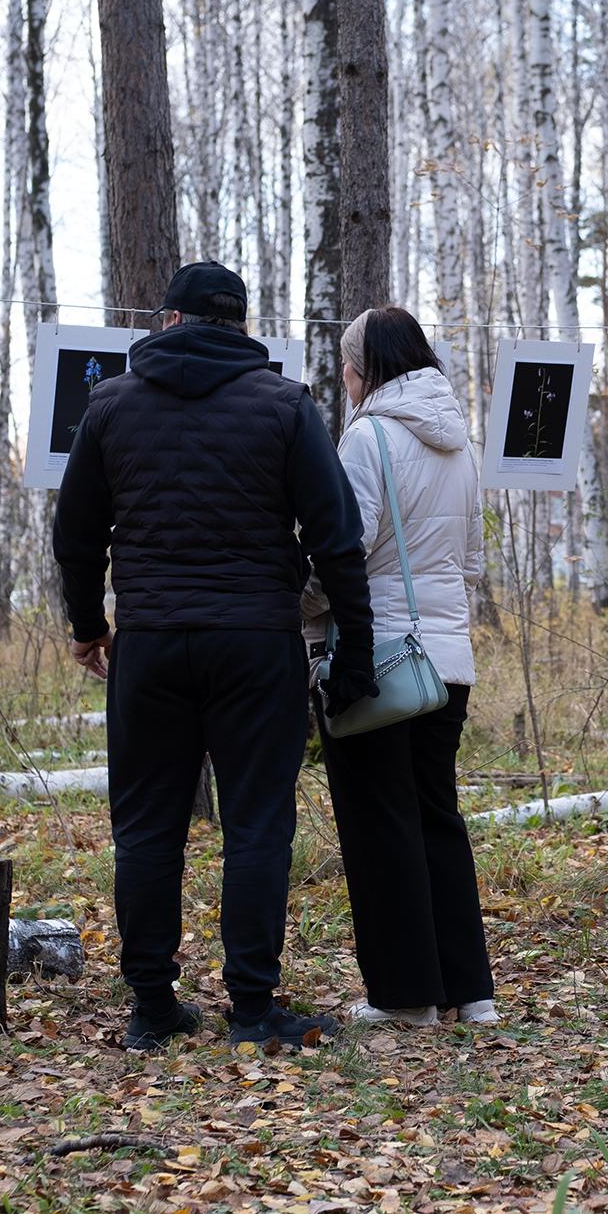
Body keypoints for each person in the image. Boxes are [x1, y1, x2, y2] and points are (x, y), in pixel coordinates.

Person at [53, 261, 380, 1050]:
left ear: (167, 322)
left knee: (146, 825)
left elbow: (75, 533)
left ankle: (152, 1008)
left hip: (153, 642)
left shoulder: (110, 404)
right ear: (239, 327)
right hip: (256, 644)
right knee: (258, 823)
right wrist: (357, 646)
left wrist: (88, 624)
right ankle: (255, 1008)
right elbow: (336, 537)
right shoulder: (283, 403)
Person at [304, 306, 498, 1026]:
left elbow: (342, 554)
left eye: (348, 367)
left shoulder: (368, 438)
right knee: (436, 818)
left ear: (368, 369)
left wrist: (297, 606)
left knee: (381, 825)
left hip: (377, 658)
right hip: (448, 661)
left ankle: (405, 995)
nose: (346, 380)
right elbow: (471, 563)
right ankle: (469, 992)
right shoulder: (462, 446)